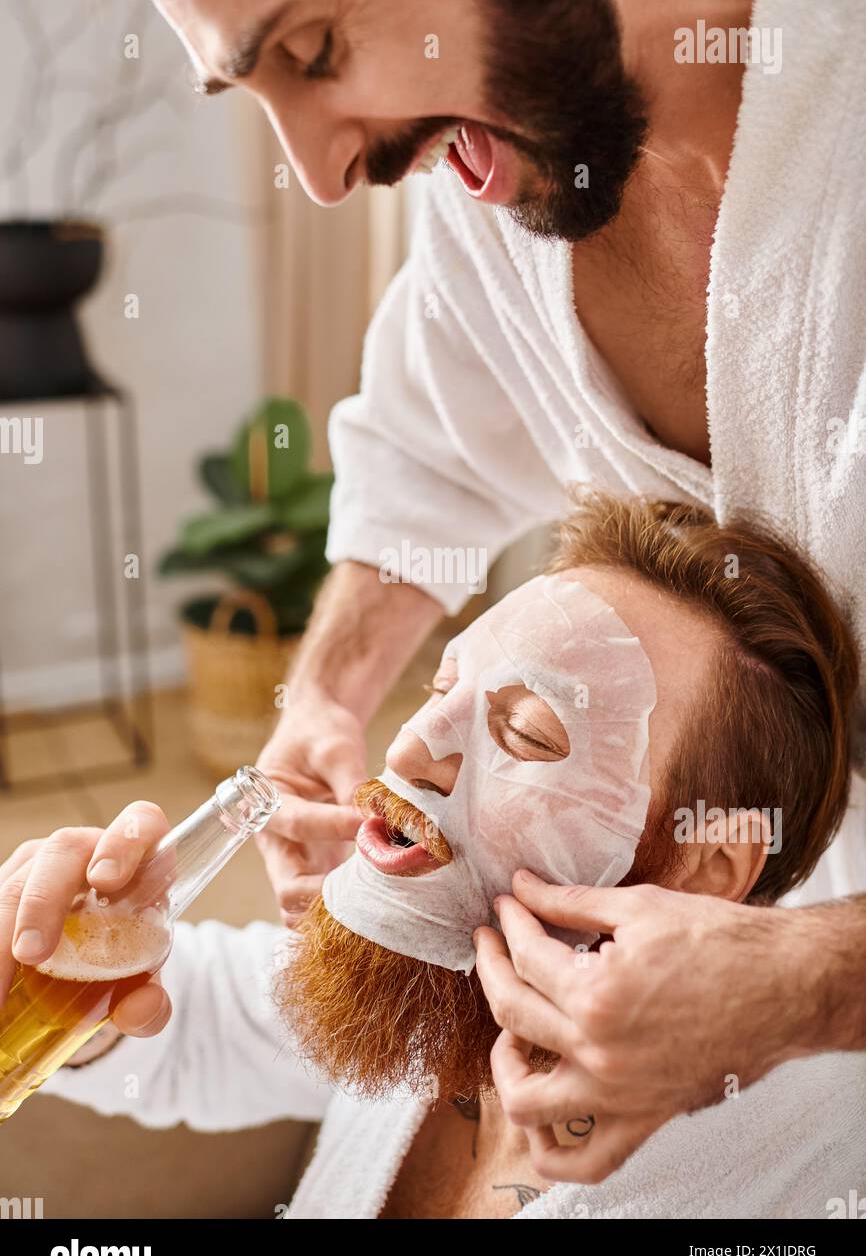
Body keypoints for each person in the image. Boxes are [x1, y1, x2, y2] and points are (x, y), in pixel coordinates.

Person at [50, 0, 866, 1175]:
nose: (320, 175)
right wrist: (324, 695)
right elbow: (424, 457)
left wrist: (809, 981)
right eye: (445, 689)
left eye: (317, 49)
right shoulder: (506, 150)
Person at [6, 496, 864, 1218]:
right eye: (441, 690)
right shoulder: (437, 977)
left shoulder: (807, 1166)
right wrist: (69, 959)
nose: (410, 748)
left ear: (706, 869)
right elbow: (214, 1017)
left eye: (529, 732)